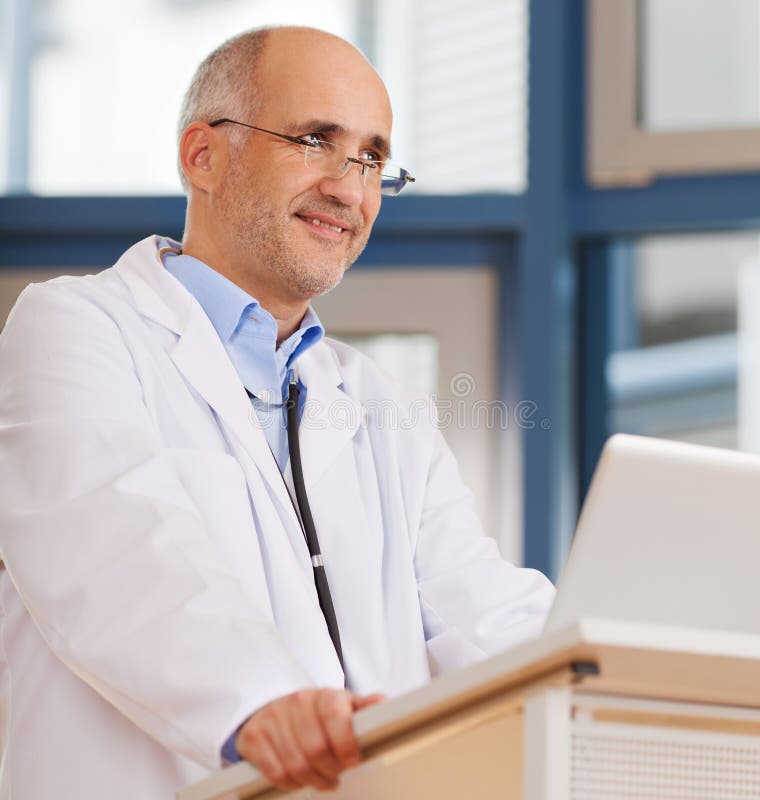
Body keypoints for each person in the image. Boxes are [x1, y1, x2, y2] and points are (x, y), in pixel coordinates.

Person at [0, 26, 554, 799]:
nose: (348, 188)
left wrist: (633, 661)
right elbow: (117, 555)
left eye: (370, 158)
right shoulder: (75, 328)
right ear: (203, 155)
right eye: (315, 141)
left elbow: (488, 618)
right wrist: (262, 702)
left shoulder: (381, 409)